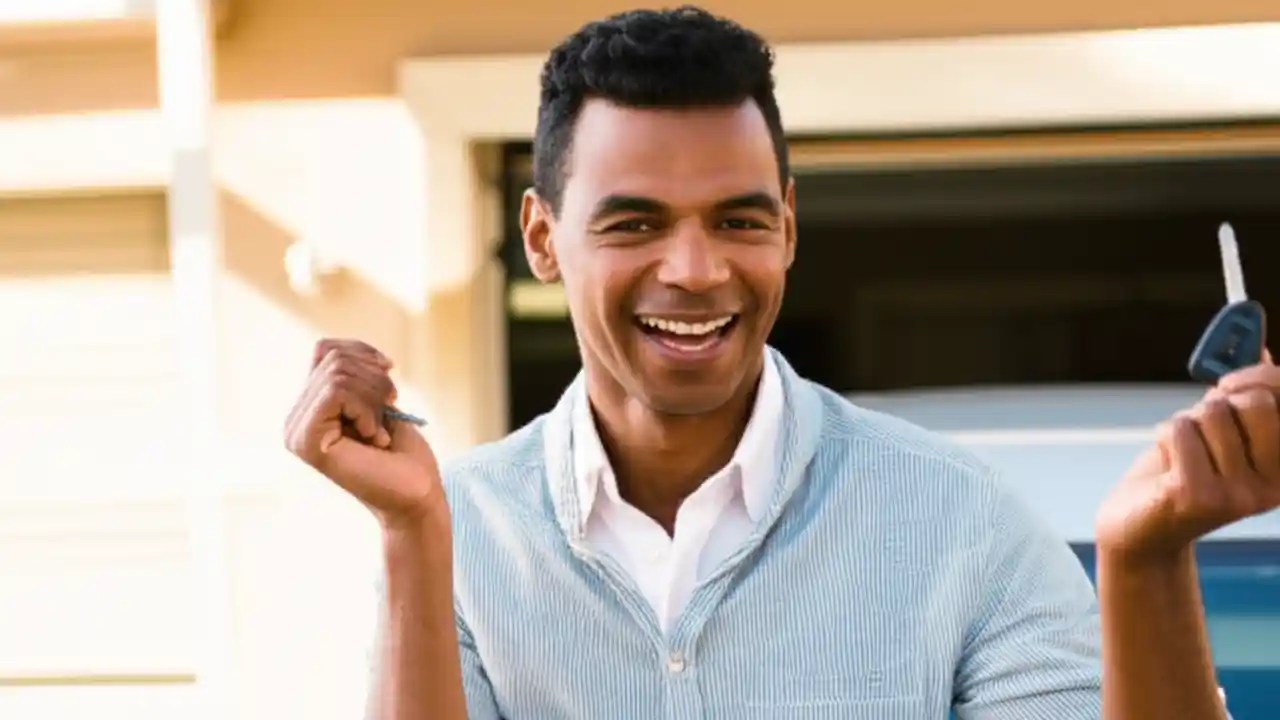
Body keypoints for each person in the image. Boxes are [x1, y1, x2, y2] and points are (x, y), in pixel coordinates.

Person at [283, 6, 1280, 719]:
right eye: (634, 222)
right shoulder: (461, 541)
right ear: (542, 240)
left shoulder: (959, 524)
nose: (695, 268)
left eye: (737, 220)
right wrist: (412, 529)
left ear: (788, 227)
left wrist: (1145, 561)